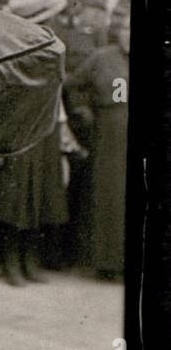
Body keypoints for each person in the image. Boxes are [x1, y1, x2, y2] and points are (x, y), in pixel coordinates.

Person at [0, 0, 71, 285]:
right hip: (19, 128)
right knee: (13, 199)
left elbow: (57, 90)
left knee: (38, 197)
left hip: (45, 130)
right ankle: (9, 259)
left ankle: (29, 259)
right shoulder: (12, 48)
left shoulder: (53, 47)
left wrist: (62, 127)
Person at [64, 17, 129, 280]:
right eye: (126, 28)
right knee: (111, 195)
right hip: (111, 132)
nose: (129, 34)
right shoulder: (102, 57)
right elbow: (72, 84)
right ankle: (108, 263)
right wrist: (83, 109)